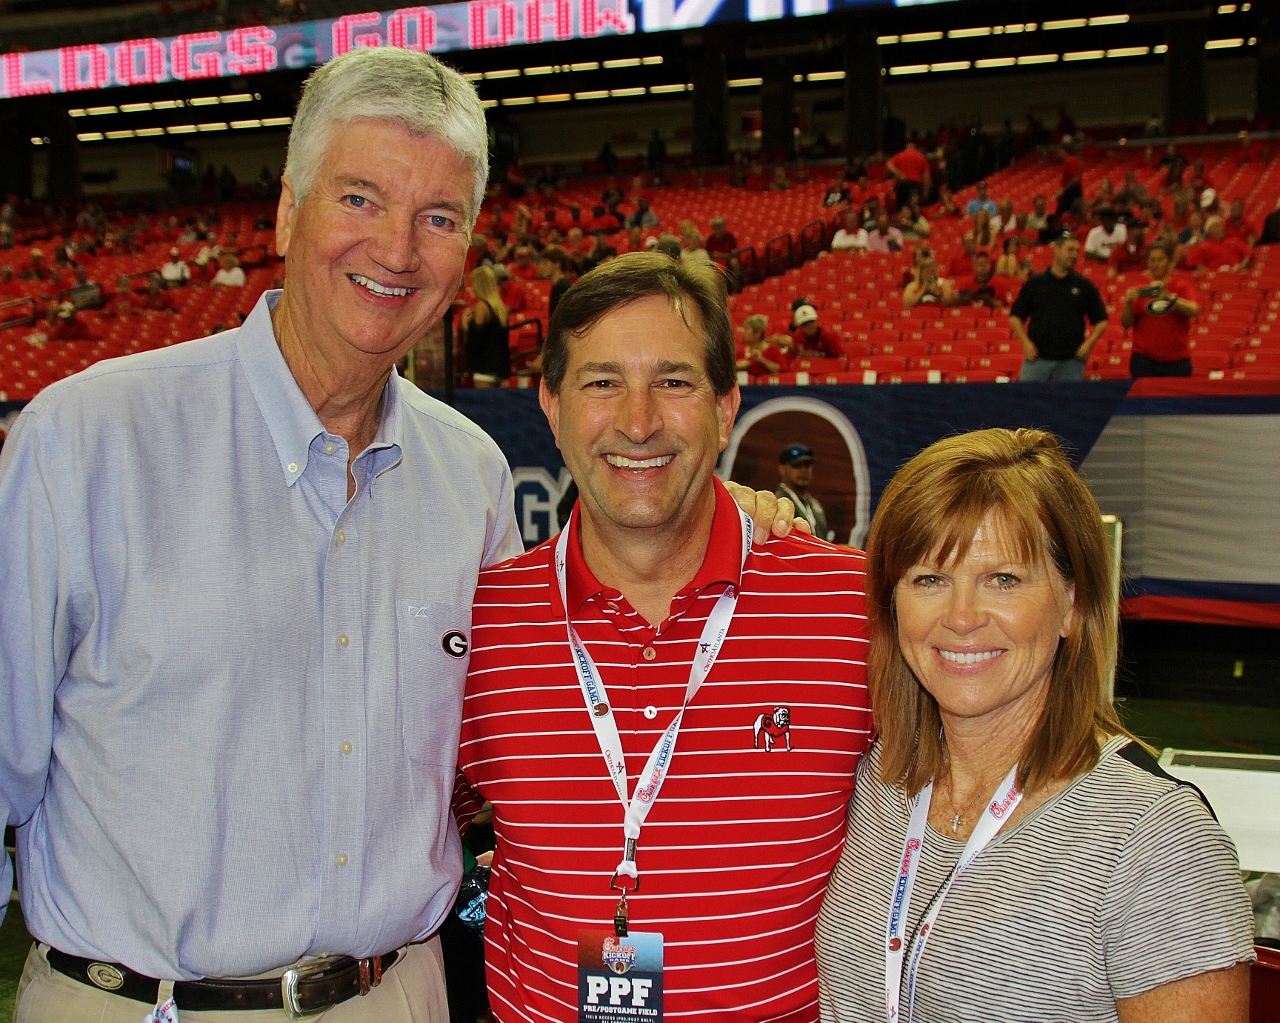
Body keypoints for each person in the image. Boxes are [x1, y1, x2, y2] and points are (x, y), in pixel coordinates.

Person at [0, 45, 530, 1023]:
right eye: (360, 199)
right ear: (287, 211)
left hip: (393, 996)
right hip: (141, 1002)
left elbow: (522, 735)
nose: (398, 250)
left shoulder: (472, 476)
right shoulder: (88, 442)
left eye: (439, 218)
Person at [455, 252, 871, 1021]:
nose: (638, 420)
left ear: (725, 406)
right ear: (550, 404)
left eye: (674, 382)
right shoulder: (482, 622)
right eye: (602, 381)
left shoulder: (848, 604)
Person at [815, 428, 1254, 1022]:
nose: (962, 617)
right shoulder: (872, 784)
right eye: (929, 579)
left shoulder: (1154, 839)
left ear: (1073, 603)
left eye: (1004, 579)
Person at [1010, 232, 1108, 382]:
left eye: (1077, 251)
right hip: (1037, 359)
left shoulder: (1084, 286)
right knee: (1028, 402)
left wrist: (1089, 344)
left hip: (1072, 361)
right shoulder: (1035, 283)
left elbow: (1102, 320)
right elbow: (1015, 317)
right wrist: (1025, 342)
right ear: (1056, 249)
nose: (1074, 255)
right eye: (1070, 250)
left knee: (1069, 404)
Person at [1121, 241, 1199, 378]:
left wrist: (1170, 298)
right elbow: (1126, 323)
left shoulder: (1181, 287)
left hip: (1177, 360)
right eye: (1152, 260)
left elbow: (1193, 310)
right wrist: (1128, 303)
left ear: (1169, 262)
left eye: (1160, 260)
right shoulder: (1140, 290)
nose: (1155, 264)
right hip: (1144, 360)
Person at [461, 265, 510, 387]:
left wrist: (465, 325)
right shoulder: (500, 307)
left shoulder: (482, 307)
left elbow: (476, 339)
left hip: (484, 368)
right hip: (499, 368)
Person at [776, 442, 831, 541]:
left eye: (807, 466)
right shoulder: (777, 503)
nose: (803, 470)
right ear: (782, 469)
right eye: (796, 466)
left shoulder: (816, 505)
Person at [887, 139, 931, 210]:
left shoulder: (900, 155)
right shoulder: (921, 157)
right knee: (914, 207)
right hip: (916, 185)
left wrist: (898, 173)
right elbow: (927, 176)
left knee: (902, 207)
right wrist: (926, 191)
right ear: (915, 148)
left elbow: (889, 164)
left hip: (902, 184)